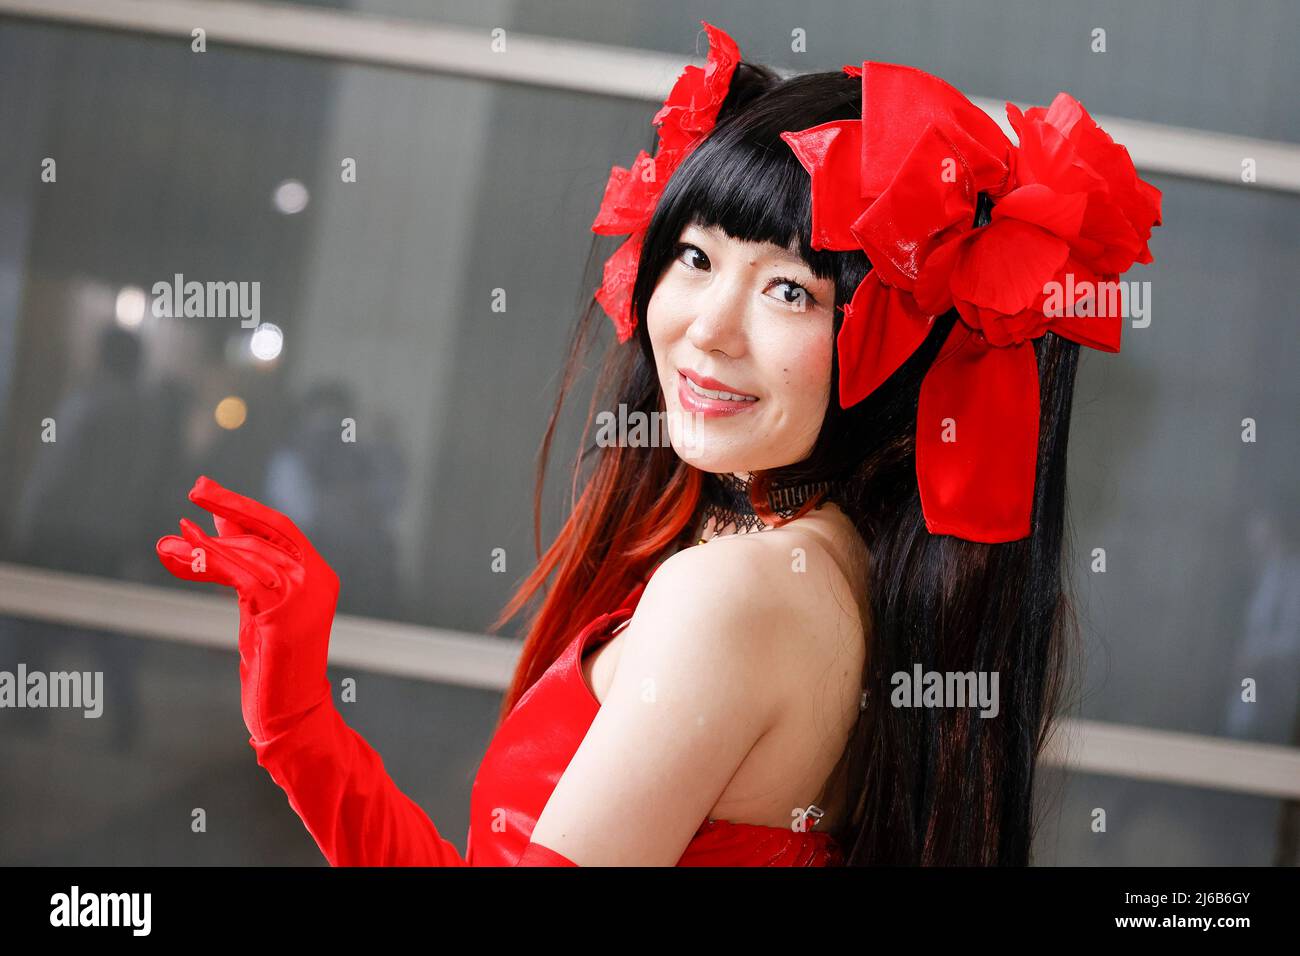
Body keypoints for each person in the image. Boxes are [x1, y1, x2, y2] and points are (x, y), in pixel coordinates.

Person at [155, 22, 1161, 866]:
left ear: (897, 354)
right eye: (694, 255)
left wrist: (298, 730)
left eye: (790, 289)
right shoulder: (844, 576)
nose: (708, 327)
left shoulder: (736, 592)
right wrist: (298, 724)